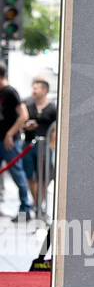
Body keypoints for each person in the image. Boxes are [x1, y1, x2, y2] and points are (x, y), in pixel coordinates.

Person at [21, 78, 57, 223]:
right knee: (30, 175)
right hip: (29, 144)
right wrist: (26, 126)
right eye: (33, 87)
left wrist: (53, 144)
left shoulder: (53, 108)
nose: (34, 90)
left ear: (45, 90)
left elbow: (55, 128)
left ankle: (40, 204)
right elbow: (22, 122)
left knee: (44, 176)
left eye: (37, 88)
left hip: (46, 146)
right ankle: (37, 204)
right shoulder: (28, 105)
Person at [0, 65, 32, 223]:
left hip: (10, 142)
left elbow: (23, 115)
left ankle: (26, 209)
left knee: (17, 174)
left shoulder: (10, 92)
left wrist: (9, 134)